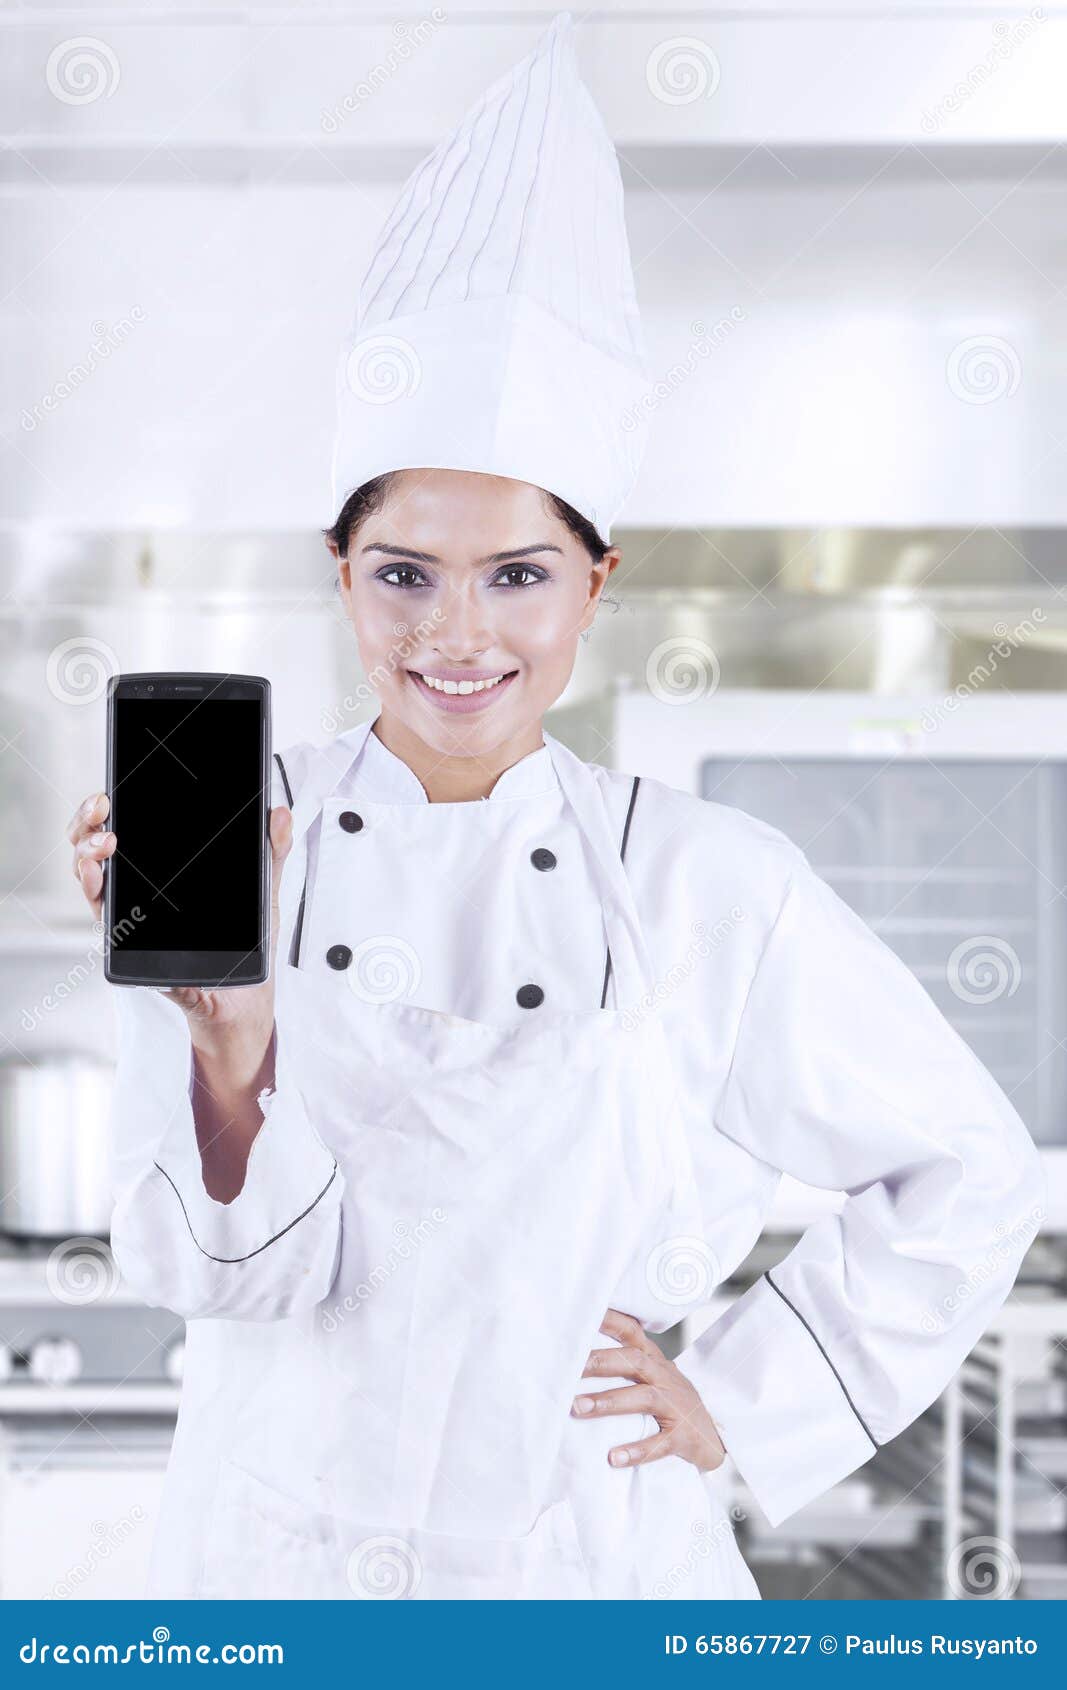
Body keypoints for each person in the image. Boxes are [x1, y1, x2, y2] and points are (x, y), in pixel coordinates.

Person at [70, 13, 1043, 1601]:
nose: (458, 636)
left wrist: (741, 1389)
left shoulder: (706, 880)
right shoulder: (239, 844)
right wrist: (231, 1041)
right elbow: (209, 1274)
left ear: (595, 585)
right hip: (273, 1577)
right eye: (404, 575)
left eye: (517, 575)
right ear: (341, 577)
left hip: (586, 1572)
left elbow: (969, 1168)